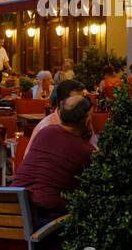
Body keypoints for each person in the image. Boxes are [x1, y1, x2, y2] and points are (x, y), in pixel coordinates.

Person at [12, 94, 96, 222]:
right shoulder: (85, 151)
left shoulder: (45, 132)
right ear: (86, 119)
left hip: (12, 208)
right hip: (43, 223)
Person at [29, 78, 99, 149]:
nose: (82, 105)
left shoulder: (83, 119)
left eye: (83, 100)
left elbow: (94, 148)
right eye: (77, 101)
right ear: (62, 104)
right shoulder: (45, 128)